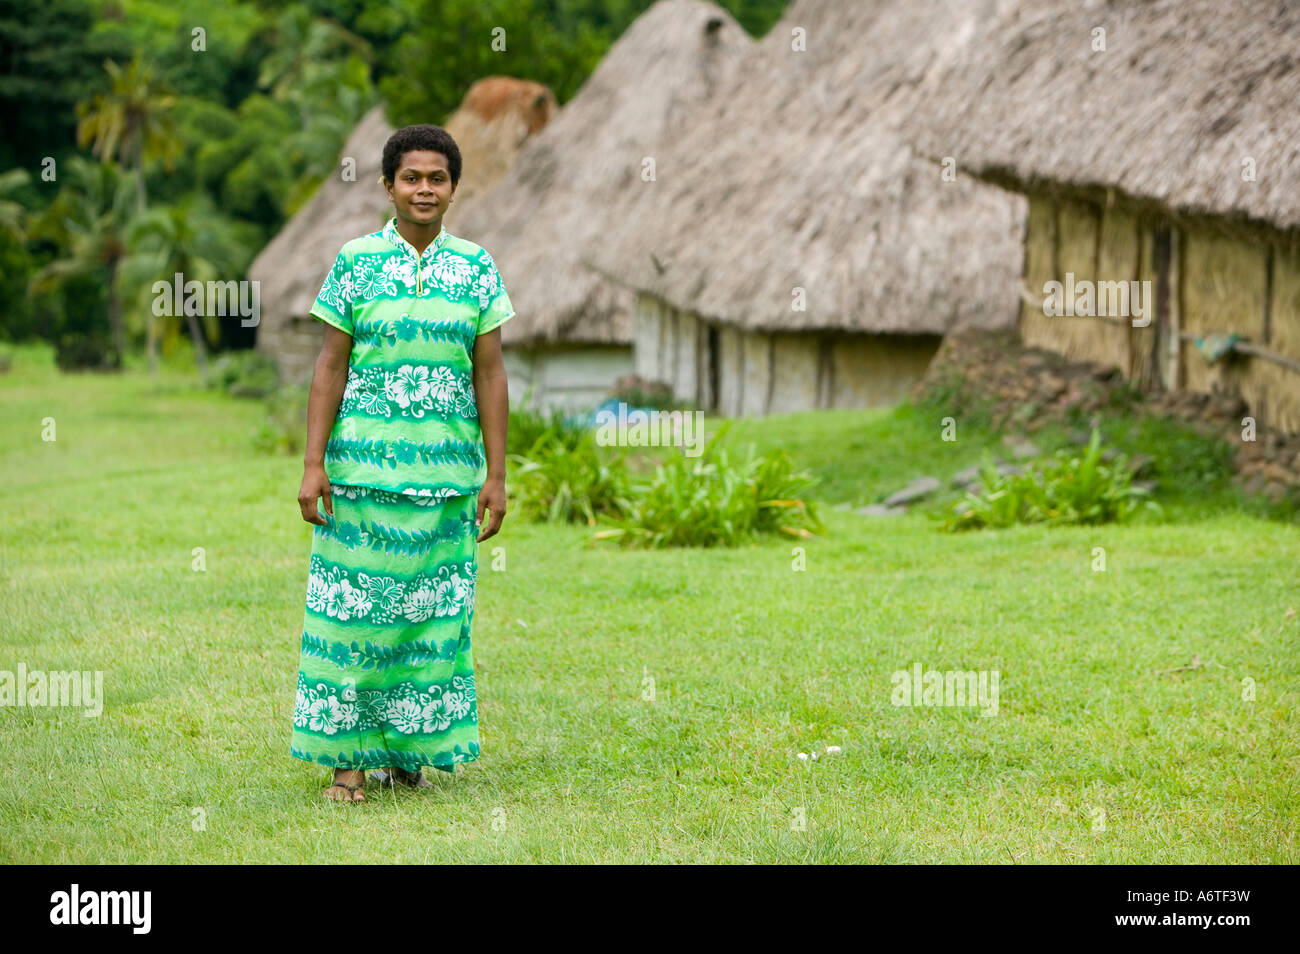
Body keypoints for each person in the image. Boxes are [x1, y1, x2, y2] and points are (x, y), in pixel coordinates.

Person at [290, 124, 513, 802]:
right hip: (361, 477)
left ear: (453, 188)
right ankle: (347, 768)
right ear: (388, 186)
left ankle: (405, 752)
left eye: (436, 178)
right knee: (353, 622)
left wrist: (496, 477)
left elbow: (492, 374)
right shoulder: (356, 263)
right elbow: (329, 366)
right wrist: (312, 464)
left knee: (428, 623)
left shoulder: (476, 268)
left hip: (446, 482)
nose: (424, 188)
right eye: (411, 177)